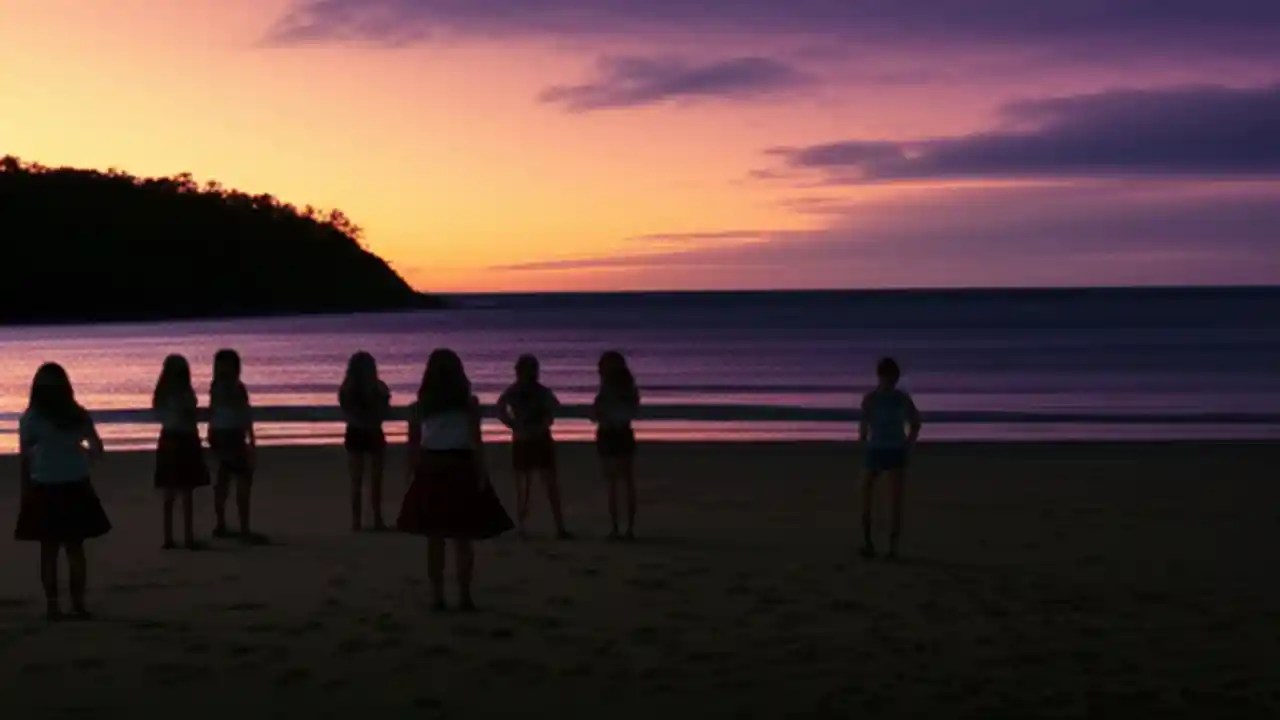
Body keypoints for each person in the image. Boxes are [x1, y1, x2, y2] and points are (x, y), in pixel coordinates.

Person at [397, 349, 513, 611]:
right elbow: (476, 441)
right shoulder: (469, 405)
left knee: (435, 538)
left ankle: (438, 596)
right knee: (462, 538)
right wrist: (482, 472)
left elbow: (413, 445)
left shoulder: (421, 406)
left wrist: (411, 473)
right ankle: (464, 596)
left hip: (432, 466)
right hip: (460, 465)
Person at [14, 363, 111, 620]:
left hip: (45, 486)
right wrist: (81, 452)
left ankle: (53, 606)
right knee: (74, 549)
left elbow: (25, 459)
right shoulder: (77, 414)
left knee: (49, 551)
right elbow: (98, 449)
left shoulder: (32, 418)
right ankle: (77, 604)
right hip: (75, 484)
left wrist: (25, 491)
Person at [496, 354, 570, 539]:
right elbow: (552, 409)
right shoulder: (527, 391)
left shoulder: (521, 391)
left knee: (534, 484)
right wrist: (514, 424)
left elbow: (501, 408)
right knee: (530, 485)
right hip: (532, 438)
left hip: (530, 438)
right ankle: (542, 526)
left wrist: (514, 423)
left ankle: (538, 526)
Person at [859, 357, 922, 560]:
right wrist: (863, 441)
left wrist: (908, 443)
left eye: (892, 377)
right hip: (877, 448)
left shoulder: (900, 398)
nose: (890, 380)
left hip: (893, 449)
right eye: (888, 376)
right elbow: (864, 423)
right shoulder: (872, 398)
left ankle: (891, 547)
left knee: (895, 499)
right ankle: (869, 542)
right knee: (867, 495)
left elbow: (915, 423)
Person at [153, 354, 211, 549]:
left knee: (171, 492)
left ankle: (169, 537)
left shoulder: (163, 392)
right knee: (185, 490)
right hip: (183, 438)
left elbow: (161, 413)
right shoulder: (181, 392)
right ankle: (186, 537)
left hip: (170, 437)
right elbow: (189, 415)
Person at [208, 349, 262, 542]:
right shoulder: (236, 388)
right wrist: (251, 438)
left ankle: (222, 524)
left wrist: (210, 433)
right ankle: (242, 527)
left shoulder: (216, 387)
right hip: (232, 435)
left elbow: (213, 412)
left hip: (221, 433)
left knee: (224, 480)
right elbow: (244, 414)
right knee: (240, 480)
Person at [340, 351, 391, 531]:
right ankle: (376, 519)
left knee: (356, 481)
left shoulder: (346, 389)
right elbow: (384, 410)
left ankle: (357, 522)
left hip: (355, 432)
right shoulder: (378, 388)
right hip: (372, 432)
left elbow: (346, 410)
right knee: (375, 480)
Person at [591, 351, 640, 541]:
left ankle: (617, 527)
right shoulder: (629, 388)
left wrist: (602, 415)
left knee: (614, 483)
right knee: (626, 482)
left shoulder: (608, 390)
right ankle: (627, 528)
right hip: (621, 432)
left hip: (611, 434)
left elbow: (597, 413)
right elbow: (632, 410)